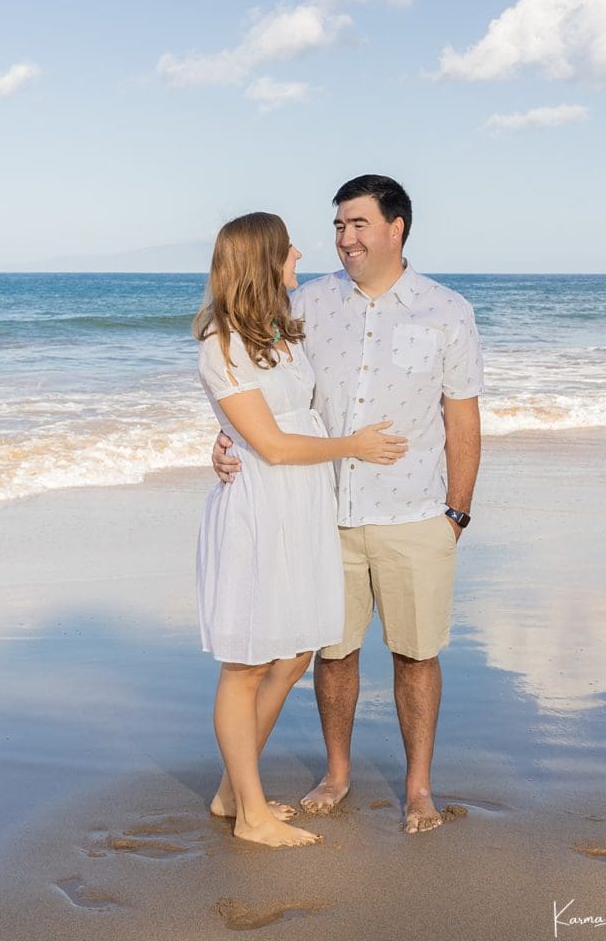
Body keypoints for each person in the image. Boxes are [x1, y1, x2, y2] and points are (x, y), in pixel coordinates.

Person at [213, 177, 483, 833]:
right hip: (322, 514)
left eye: (357, 224)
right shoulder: (305, 302)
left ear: (396, 228)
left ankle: (417, 787)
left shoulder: (447, 311)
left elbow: (463, 424)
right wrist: (223, 445)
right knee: (330, 656)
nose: (344, 238)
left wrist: (455, 514)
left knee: (416, 655)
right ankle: (337, 772)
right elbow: (258, 388)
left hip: (415, 513)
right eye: (338, 225)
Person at [194, 210, 408, 849]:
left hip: (301, 506)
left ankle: (236, 788)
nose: (300, 253)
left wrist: (225, 436)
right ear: (262, 259)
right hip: (260, 510)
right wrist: (356, 446)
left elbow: (282, 419)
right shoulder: (222, 345)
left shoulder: (281, 336)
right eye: (287, 247)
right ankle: (250, 815)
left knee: (291, 652)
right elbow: (275, 446)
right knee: (247, 662)